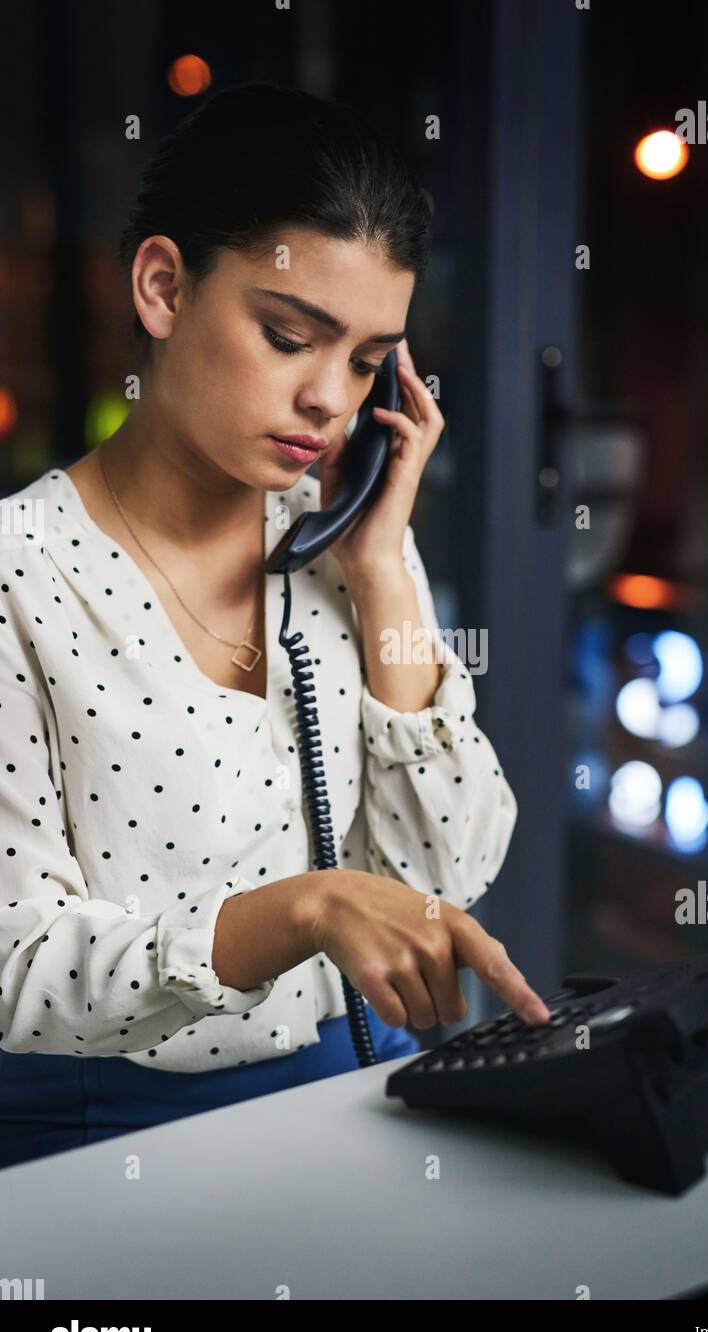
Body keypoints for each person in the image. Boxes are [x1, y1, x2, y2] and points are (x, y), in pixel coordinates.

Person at [0, 81, 549, 1168]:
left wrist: (385, 568)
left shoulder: (344, 541)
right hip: (100, 1132)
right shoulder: (21, 576)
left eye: (362, 361)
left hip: (357, 1088)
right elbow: (16, 962)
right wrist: (299, 911)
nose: (330, 403)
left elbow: (448, 866)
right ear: (163, 287)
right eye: (290, 335)